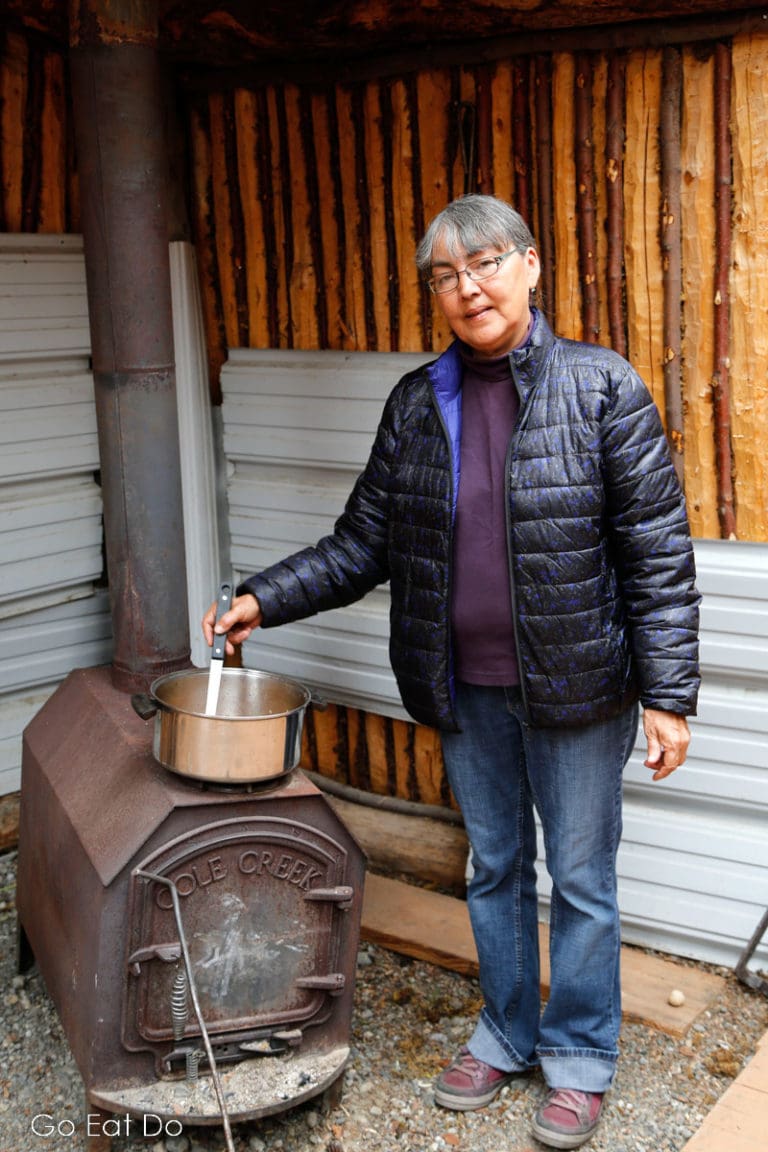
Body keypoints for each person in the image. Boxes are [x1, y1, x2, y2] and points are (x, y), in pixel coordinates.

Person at [203, 194, 700, 1150]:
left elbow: (656, 553)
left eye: (484, 263)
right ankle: (508, 1031)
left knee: (585, 879)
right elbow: (363, 543)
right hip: (465, 689)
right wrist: (265, 595)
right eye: (444, 274)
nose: (467, 287)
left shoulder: (603, 389)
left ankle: (583, 1055)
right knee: (497, 868)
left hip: (580, 691)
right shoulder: (417, 404)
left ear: (530, 266)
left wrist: (670, 697)